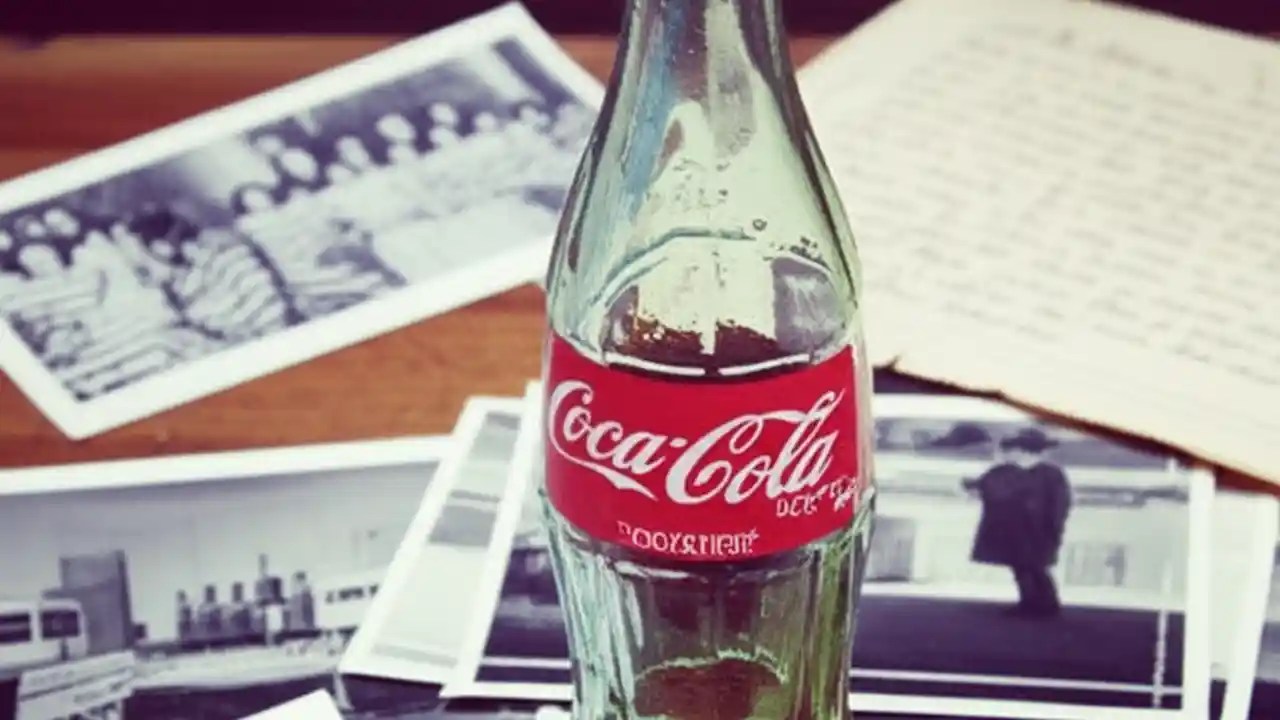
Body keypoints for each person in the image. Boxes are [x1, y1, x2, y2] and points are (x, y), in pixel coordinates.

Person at [964, 427, 1072, 618]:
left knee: (1035, 568)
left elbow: (1059, 503)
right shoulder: (1008, 471)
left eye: (1012, 448)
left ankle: (1044, 604)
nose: (1008, 453)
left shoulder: (1049, 474)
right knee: (1023, 567)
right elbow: (986, 490)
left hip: (1037, 529)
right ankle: (1031, 603)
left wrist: (1054, 526)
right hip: (1015, 529)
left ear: (1022, 450)